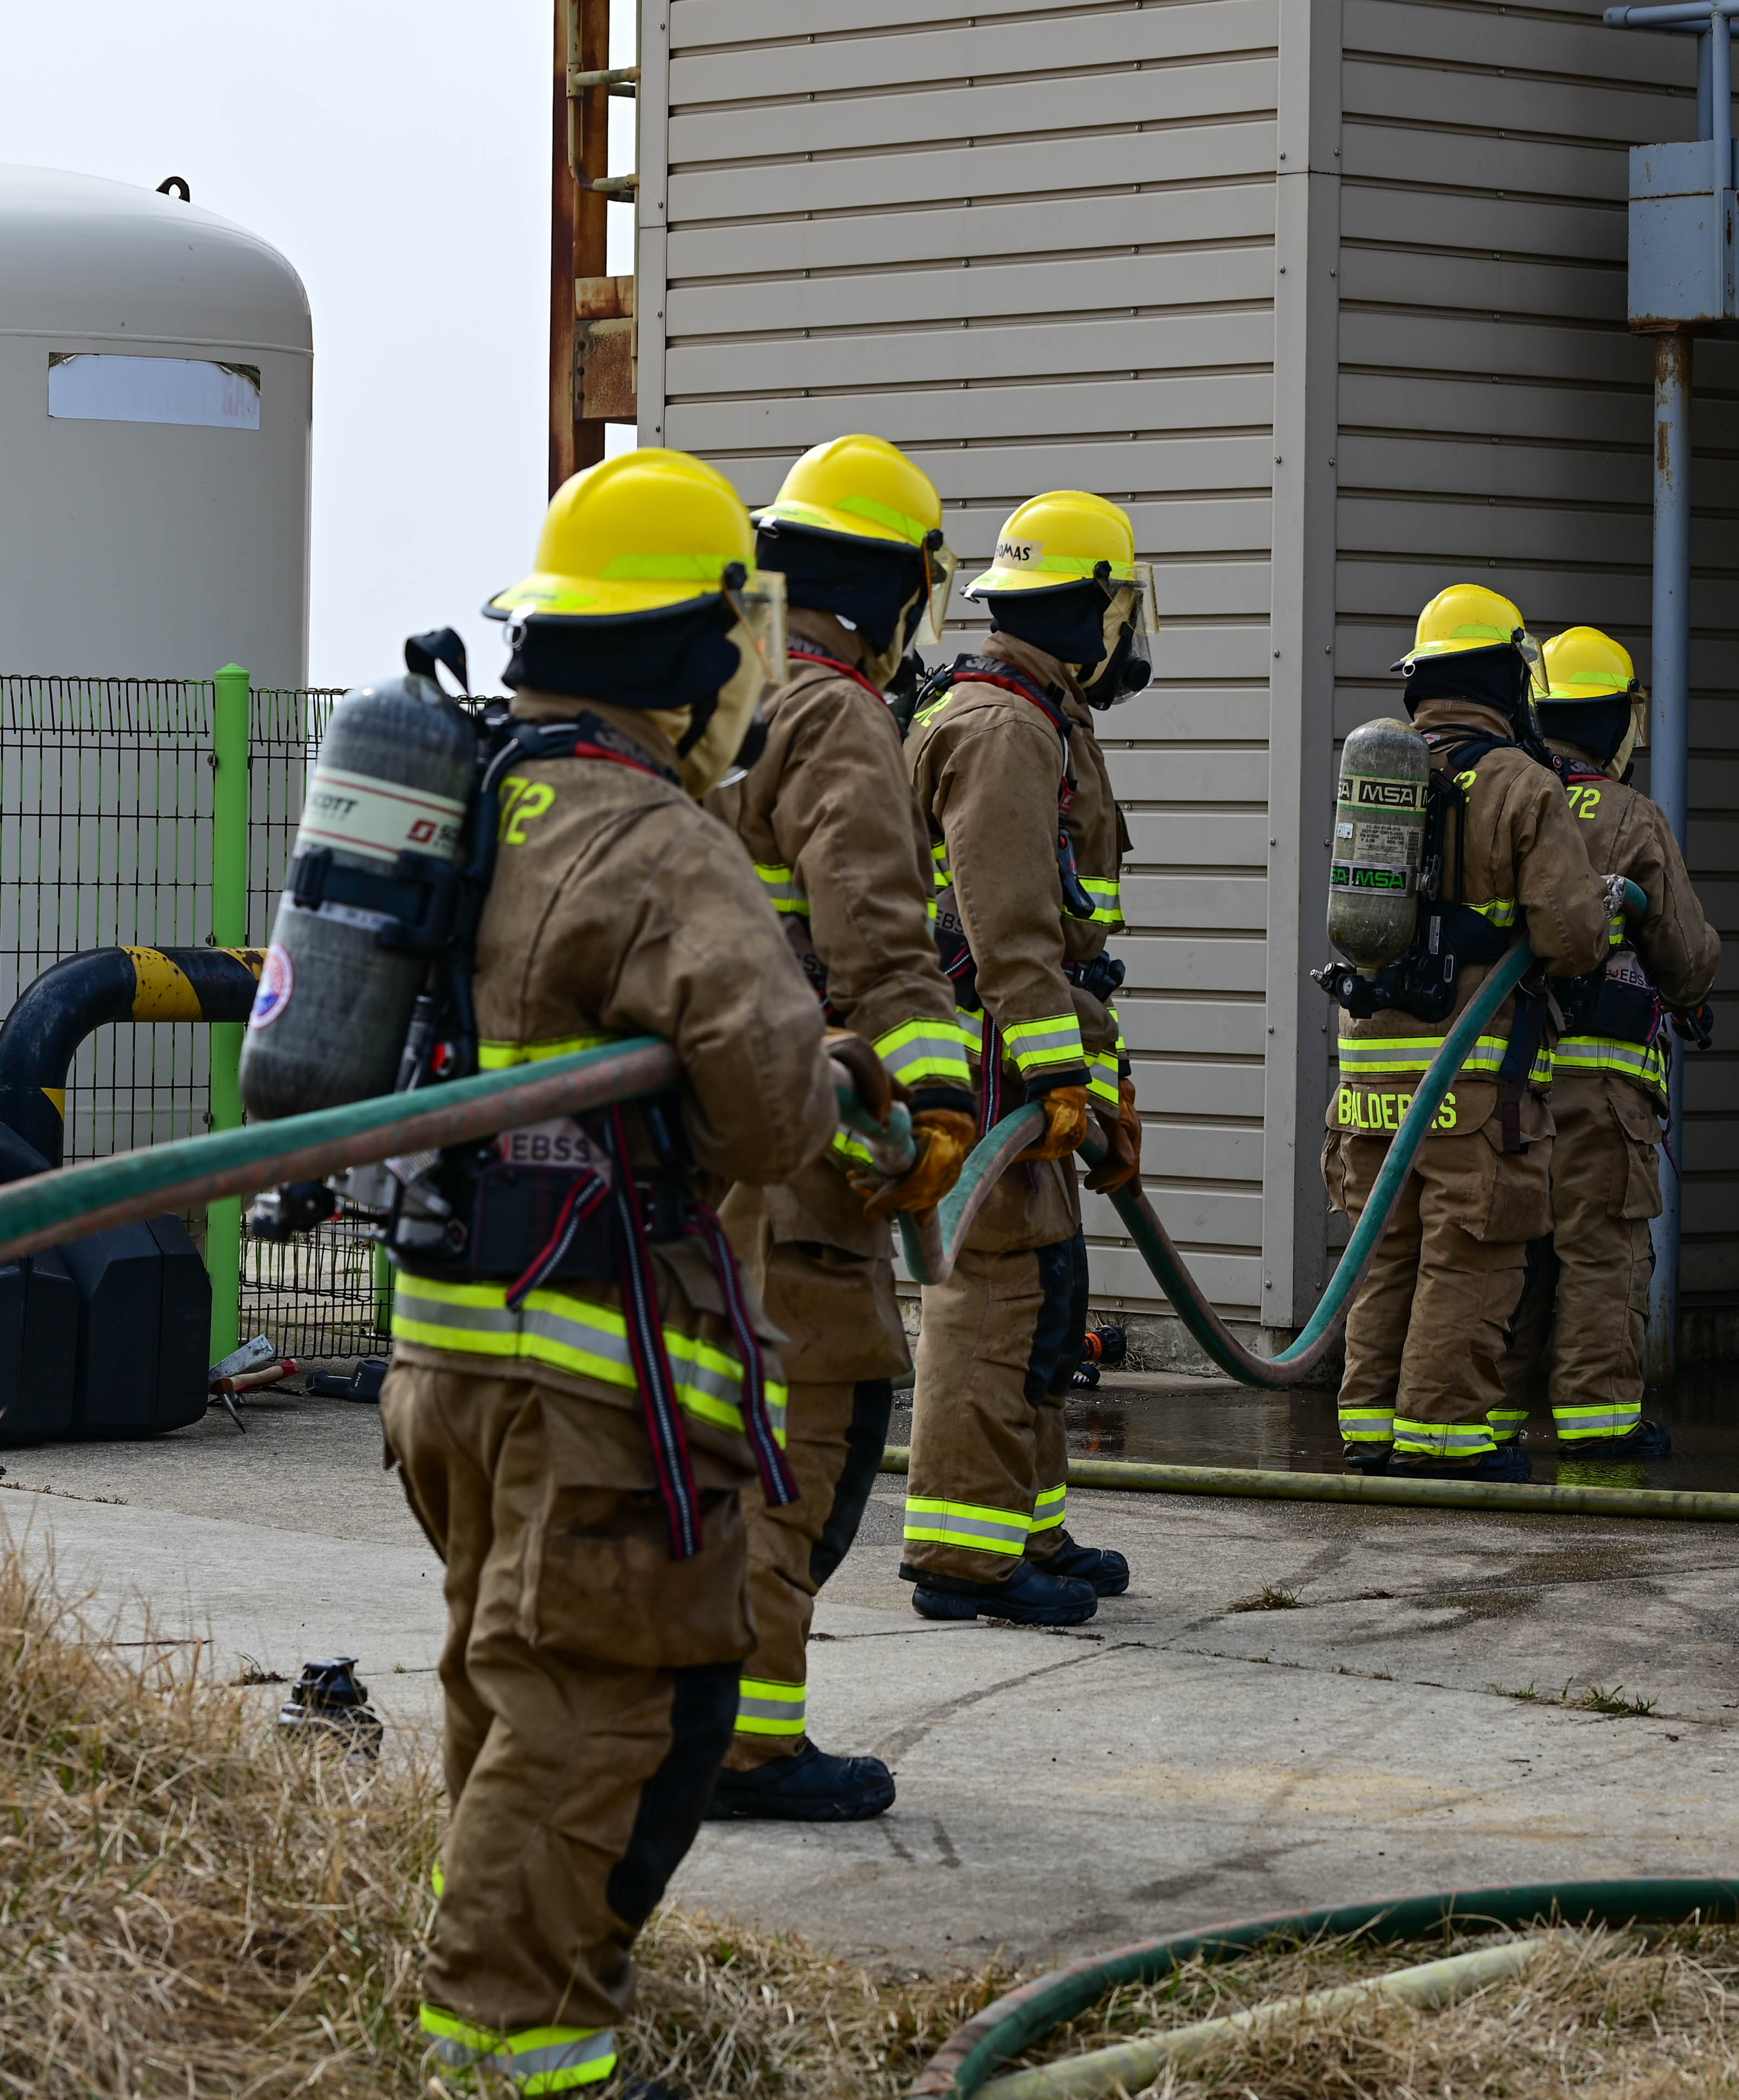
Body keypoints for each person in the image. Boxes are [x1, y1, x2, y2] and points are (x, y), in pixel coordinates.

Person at [382, 446, 864, 2100]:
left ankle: (491, 2007)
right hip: (597, 1373)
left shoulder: (480, 802)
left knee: (506, 1690)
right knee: (599, 1712)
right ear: (693, 650)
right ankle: (514, 2051)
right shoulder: (651, 839)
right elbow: (770, 1103)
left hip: (445, 1352)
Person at [702, 435, 973, 1823]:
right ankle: (745, 1741)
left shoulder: (703, 691)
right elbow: (875, 929)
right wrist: (934, 1098)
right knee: (798, 1425)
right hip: (795, 1129)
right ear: (890, 589)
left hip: (675, 1125)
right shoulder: (834, 712)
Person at [897, 490, 1148, 1626]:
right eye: (1115, 606)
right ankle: (961, 1555)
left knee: (1045, 1301)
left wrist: (1096, 1082)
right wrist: (1058, 1081)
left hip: (1033, 1068)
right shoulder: (1002, 728)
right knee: (990, 1302)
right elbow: (1006, 929)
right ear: (1087, 604)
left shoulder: (1042, 714)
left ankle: (1023, 1525)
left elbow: (1066, 938)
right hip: (996, 1074)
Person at [1321, 584, 1608, 1479]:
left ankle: (1368, 1429)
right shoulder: (1524, 784)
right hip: (1474, 1083)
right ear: (1504, 678)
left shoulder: (1380, 772)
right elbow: (1567, 937)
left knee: (1385, 1253)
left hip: (1368, 1080)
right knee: (1467, 1254)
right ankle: (1443, 1438)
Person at [1497, 626, 1718, 1460]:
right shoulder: (1631, 816)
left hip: (1506, 1079)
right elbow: (1688, 962)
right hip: (1601, 1086)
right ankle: (1598, 1424)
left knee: (1508, 1249)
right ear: (1620, 718)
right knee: (1601, 1250)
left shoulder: (1506, 793)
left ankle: (1484, 1423)